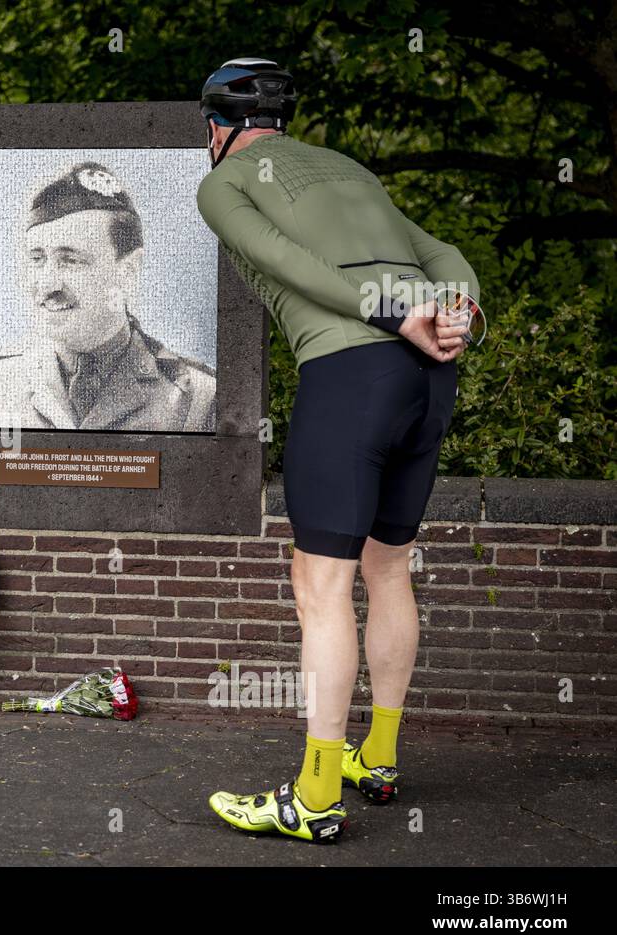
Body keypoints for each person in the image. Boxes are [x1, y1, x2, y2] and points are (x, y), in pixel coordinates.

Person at [195, 58, 477, 843]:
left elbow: (294, 266)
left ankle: (314, 796)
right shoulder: (348, 168)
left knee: (321, 585)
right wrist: (452, 314)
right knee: (389, 567)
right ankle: (376, 758)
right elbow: (444, 252)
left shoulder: (222, 183)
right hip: (427, 382)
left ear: (217, 129)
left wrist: (393, 313)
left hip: (351, 374)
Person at [0, 161, 216, 432]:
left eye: (70, 260)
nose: (48, 285)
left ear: (128, 272)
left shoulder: (198, 397)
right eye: (37, 259)